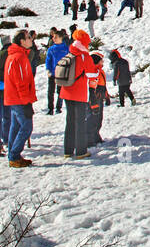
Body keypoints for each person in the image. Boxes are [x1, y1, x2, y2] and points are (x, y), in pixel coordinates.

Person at [58, 28, 98, 159]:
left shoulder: (70, 53)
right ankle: (81, 151)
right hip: (79, 93)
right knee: (80, 121)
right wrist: (97, 69)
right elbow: (92, 74)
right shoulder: (84, 56)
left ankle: (68, 150)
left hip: (66, 91)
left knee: (70, 121)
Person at [4, 29, 37, 168]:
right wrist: (26, 101)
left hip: (13, 98)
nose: (31, 39)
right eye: (28, 37)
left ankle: (13, 155)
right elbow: (21, 81)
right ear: (21, 41)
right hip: (20, 99)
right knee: (26, 127)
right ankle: (14, 155)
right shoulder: (20, 57)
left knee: (16, 126)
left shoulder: (14, 55)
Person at [44, 29, 69, 115]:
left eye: (56, 37)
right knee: (50, 91)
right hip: (52, 73)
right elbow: (48, 60)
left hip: (62, 73)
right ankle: (50, 108)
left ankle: (59, 107)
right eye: (53, 37)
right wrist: (48, 70)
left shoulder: (66, 48)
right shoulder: (51, 49)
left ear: (61, 38)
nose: (53, 39)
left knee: (60, 91)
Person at [86, 53, 108, 146]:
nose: (103, 61)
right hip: (95, 98)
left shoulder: (100, 70)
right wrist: (93, 101)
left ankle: (96, 136)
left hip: (100, 97)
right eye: (101, 60)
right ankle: (89, 140)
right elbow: (91, 87)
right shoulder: (93, 71)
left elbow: (103, 84)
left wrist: (106, 95)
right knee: (92, 119)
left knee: (99, 119)